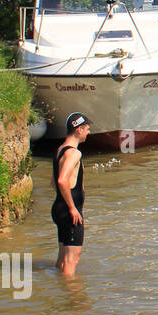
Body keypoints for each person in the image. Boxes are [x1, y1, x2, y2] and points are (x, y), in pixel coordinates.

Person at [52, 112, 91, 276]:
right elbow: (61, 181)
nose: (88, 132)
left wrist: (64, 203)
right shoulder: (74, 153)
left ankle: (59, 291)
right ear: (79, 130)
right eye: (87, 129)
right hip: (70, 212)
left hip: (59, 208)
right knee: (72, 260)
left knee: (62, 258)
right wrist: (72, 207)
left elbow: (53, 182)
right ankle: (71, 298)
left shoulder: (60, 150)